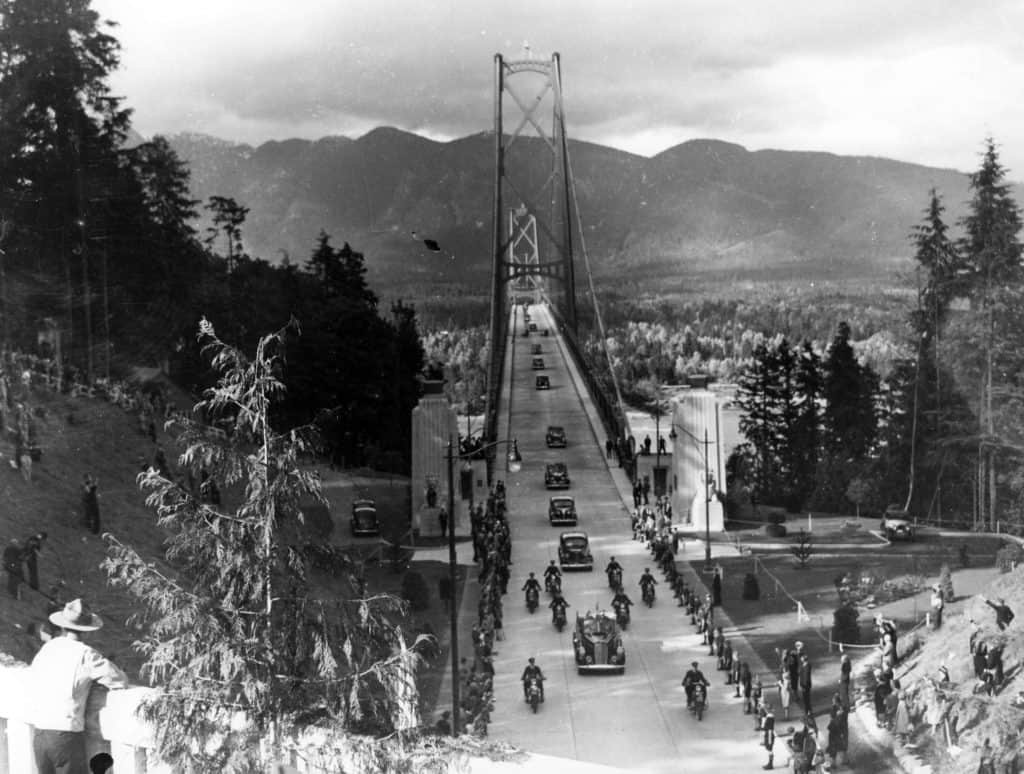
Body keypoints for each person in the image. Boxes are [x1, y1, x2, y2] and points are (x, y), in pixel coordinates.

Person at [31, 599, 129, 774]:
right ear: (88, 632)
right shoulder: (85, 653)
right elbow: (118, 680)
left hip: (39, 734)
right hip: (65, 736)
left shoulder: (47, 648)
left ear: (62, 626)